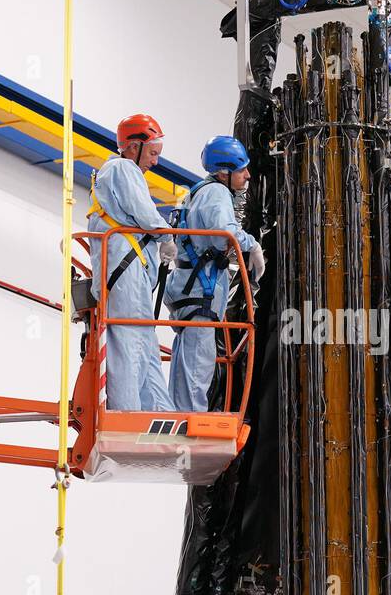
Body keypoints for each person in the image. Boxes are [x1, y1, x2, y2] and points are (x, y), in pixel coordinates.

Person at [168, 135, 265, 412]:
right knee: (198, 367)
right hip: (201, 293)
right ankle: (190, 428)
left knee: (186, 367)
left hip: (190, 291)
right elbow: (224, 235)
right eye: (242, 169)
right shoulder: (217, 193)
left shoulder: (198, 192)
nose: (247, 176)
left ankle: (181, 419)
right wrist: (252, 246)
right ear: (224, 172)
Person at [88, 112, 176, 412]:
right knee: (127, 342)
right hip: (123, 274)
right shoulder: (122, 169)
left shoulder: (121, 172)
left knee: (145, 344)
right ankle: (128, 415)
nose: (155, 161)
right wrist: (165, 235)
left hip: (130, 272)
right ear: (133, 146)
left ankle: (158, 415)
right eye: (152, 153)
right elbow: (144, 211)